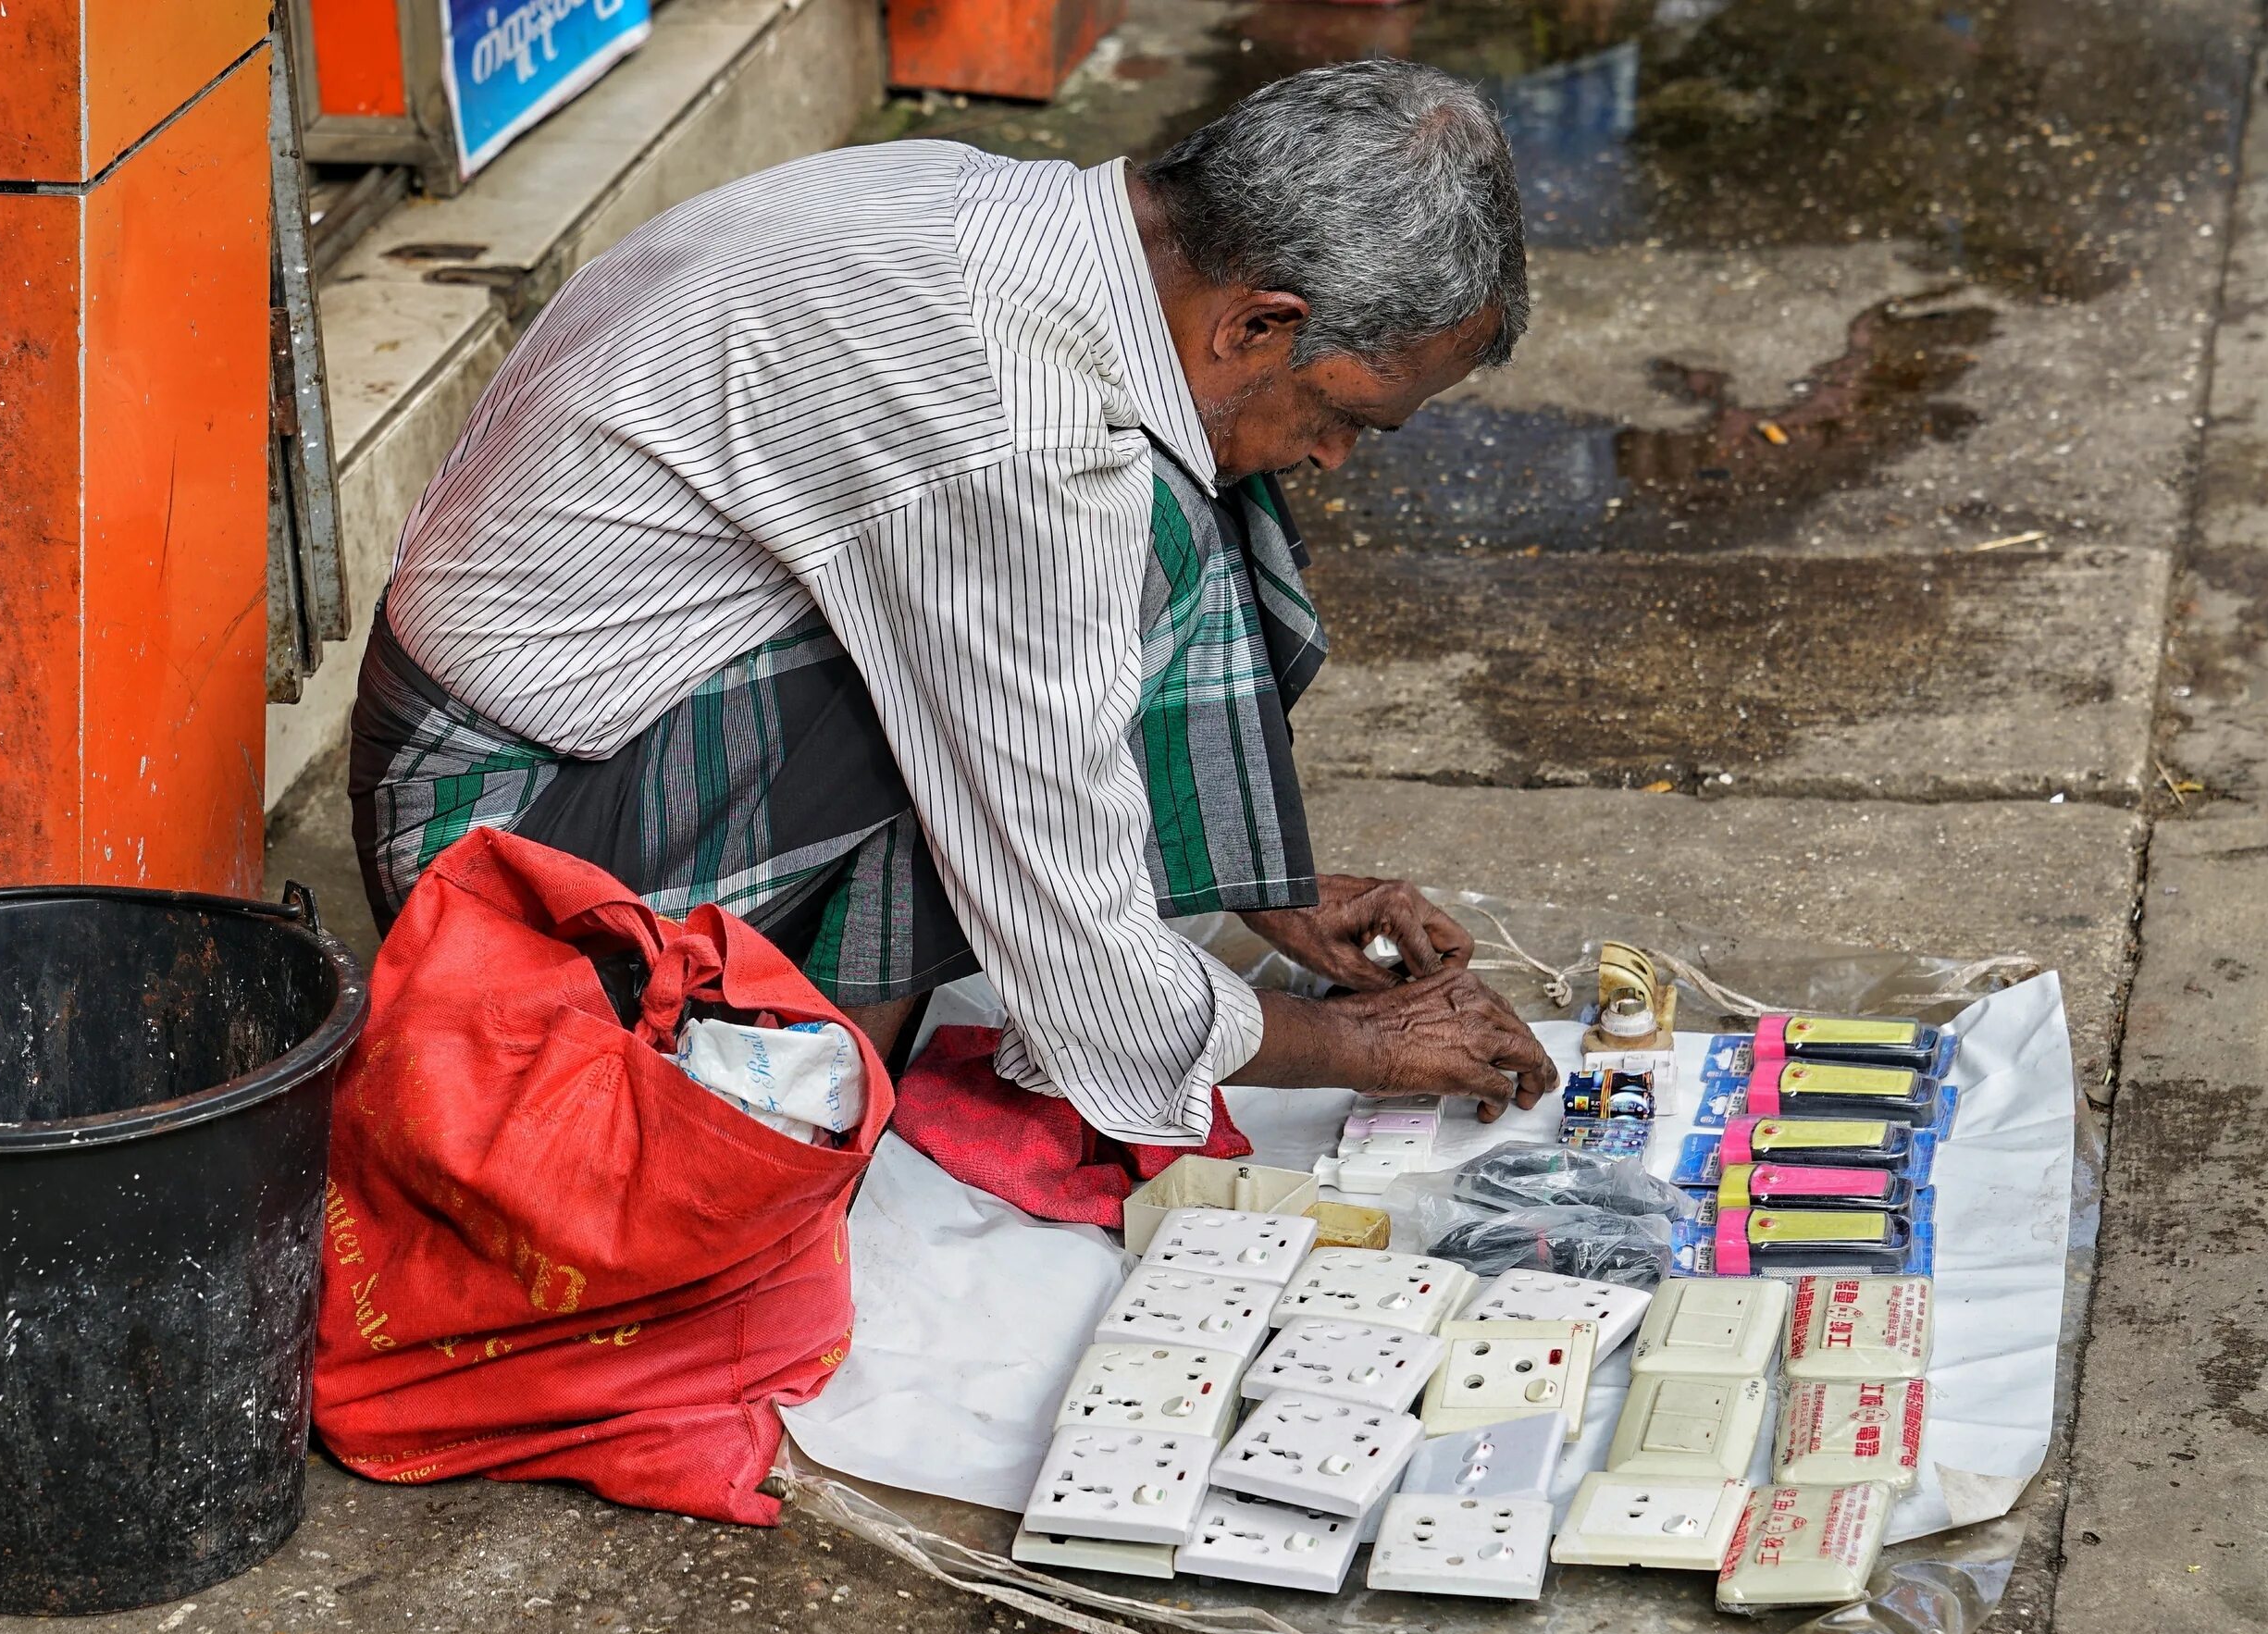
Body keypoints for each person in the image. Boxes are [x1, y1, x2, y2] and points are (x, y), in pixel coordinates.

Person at [351, 59, 1557, 1144]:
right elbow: (1083, 980)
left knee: (1166, 509)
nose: (1339, 456)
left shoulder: (987, 203)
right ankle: (739, 1085)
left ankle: (823, 1020)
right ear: (1259, 321)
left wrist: (1265, 893)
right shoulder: (1024, 436)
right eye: (1350, 416)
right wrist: (1354, 1048)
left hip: (534, 736)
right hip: (495, 867)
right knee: (1146, 528)